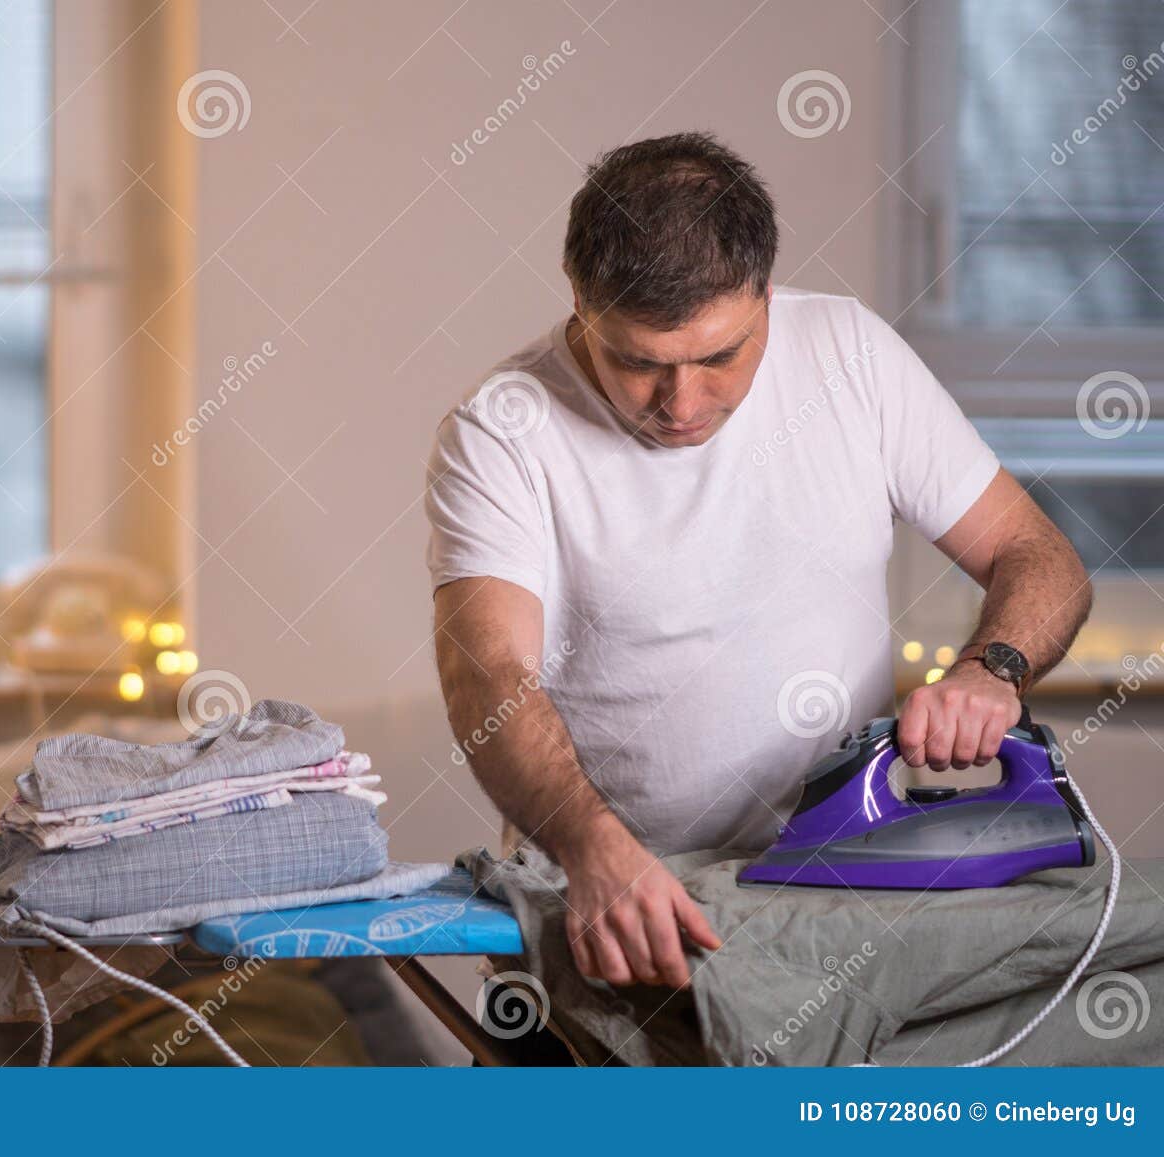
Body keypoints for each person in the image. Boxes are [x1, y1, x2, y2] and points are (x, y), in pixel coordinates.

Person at [423, 132, 1092, 992]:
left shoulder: (849, 354)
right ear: (580, 303)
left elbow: (1036, 553)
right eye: (638, 363)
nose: (683, 404)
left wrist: (991, 667)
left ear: (766, 295)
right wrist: (593, 849)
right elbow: (488, 672)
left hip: (836, 903)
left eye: (720, 356)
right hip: (617, 904)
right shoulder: (502, 430)